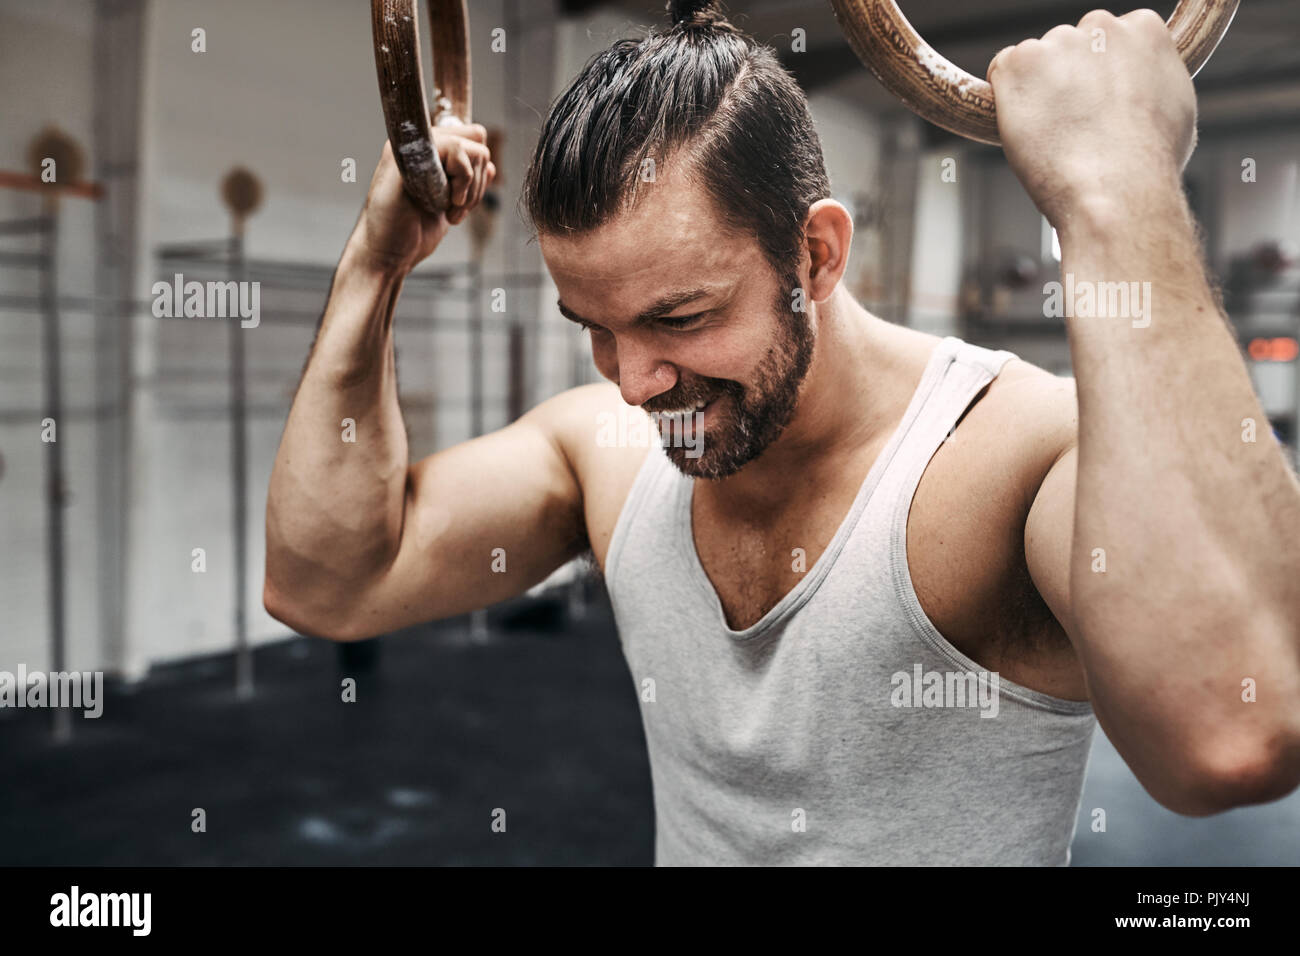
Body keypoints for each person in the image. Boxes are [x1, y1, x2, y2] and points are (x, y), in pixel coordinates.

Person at [264, 0, 1300, 864]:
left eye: (680, 318)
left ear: (815, 255)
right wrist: (375, 259)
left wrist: (1117, 192)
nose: (634, 382)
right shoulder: (606, 455)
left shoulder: (1006, 456)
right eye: (596, 331)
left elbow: (1235, 729)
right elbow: (328, 578)